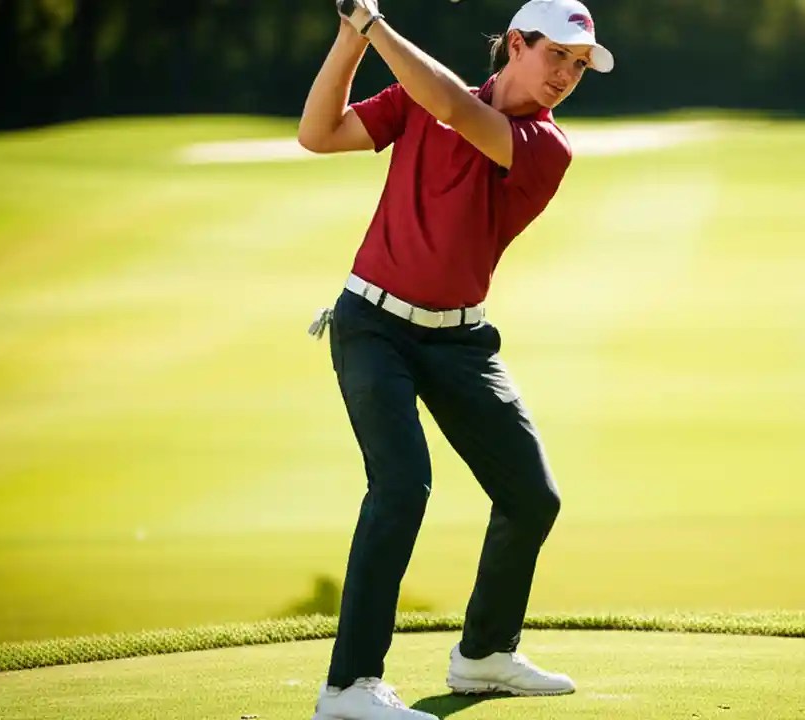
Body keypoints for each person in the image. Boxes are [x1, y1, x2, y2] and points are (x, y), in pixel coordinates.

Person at [296, 0, 613, 718]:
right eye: (555, 54)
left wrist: (373, 24)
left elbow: (449, 106)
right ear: (515, 45)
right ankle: (348, 688)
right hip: (371, 325)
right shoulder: (418, 97)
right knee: (401, 487)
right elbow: (317, 133)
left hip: (460, 339)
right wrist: (350, 37)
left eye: (578, 65)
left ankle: (483, 655)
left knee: (532, 496)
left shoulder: (544, 145)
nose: (566, 74)